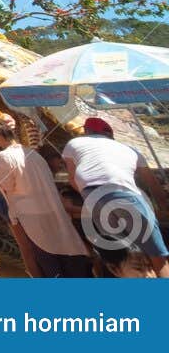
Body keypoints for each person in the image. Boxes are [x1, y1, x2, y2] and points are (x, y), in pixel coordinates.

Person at [0, 109, 91, 277]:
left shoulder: (4, 156)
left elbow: (5, 186)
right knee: (63, 253)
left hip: (31, 216)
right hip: (50, 210)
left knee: (46, 257)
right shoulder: (34, 155)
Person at [63, 117, 167, 277]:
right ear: (110, 135)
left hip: (94, 199)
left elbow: (72, 179)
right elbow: (153, 185)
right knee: (158, 258)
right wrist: (164, 208)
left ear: (87, 132)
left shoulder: (74, 143)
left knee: (122, 258)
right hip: (125, 194)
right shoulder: (131, 150)